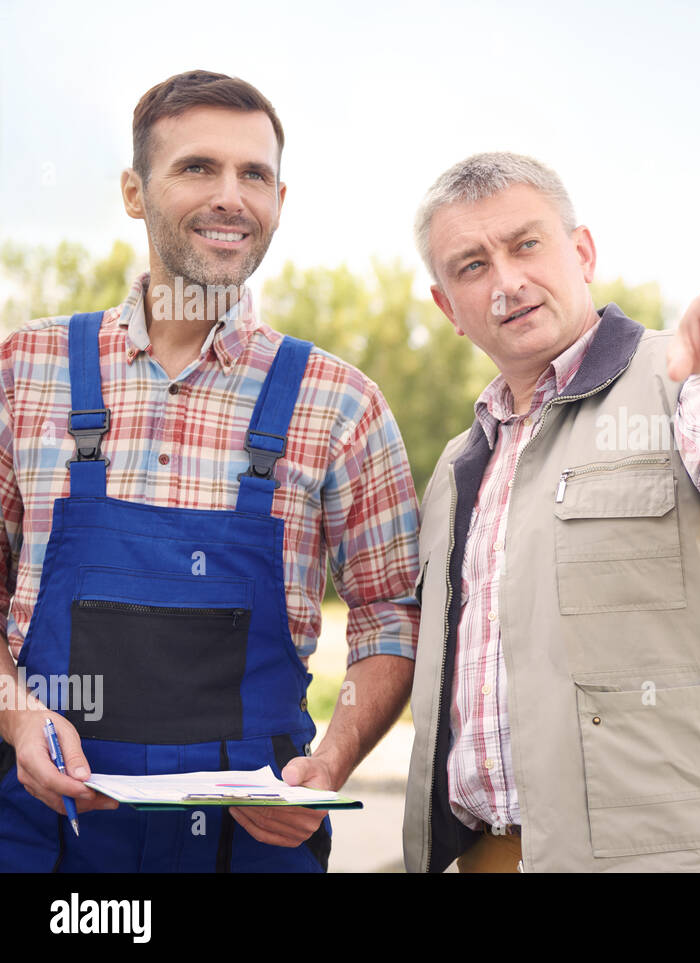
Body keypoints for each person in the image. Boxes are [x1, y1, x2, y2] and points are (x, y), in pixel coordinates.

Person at [0, 70, 420, 872]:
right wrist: (20, 718)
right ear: (134, 190)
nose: (231, 196)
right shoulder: (27, 370)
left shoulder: (340, 403)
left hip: (249, 843)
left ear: (279, 200)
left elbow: (390, 616)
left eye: (253, 175)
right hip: (46, 831)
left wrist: (330, 765)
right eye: (198, 167)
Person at [402, 152, 700, 873]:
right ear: (448, 307)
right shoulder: (460, 467)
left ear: (582, 253)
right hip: (495, 856)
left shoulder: (682, 381)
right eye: (472, 265)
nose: (508, 281)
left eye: (526, 245)